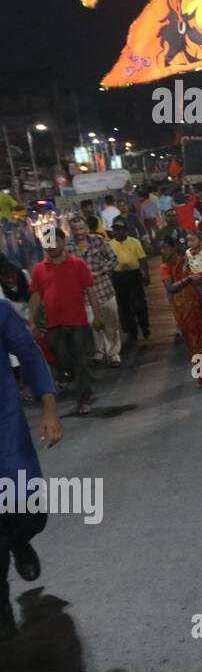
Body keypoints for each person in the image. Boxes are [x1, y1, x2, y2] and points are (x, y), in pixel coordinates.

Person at [0, 297, 62, 639]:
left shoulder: (1, 311)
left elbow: (31, 356)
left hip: (6, 434)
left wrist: (49, 409)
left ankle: (19, 541)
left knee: (31, 513)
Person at [28, 228, 106, 415]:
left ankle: (83, 399)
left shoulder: (78, 264)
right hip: (54, 324)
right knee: (62, 358)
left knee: (81, 361)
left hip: (77, 322)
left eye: (54, 241)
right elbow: (36, 296)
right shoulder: (39, 269)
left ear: (63, 242)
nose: (51, 245)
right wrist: (32, 321)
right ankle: (72, 377)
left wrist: (97, 315)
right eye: (47, 242)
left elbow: (90, 291)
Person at [158, 231, 202, 390]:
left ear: (174, 247)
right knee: (193, 343)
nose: (162, 251)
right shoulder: (164, 268)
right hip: (183, 310)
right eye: (161, 249)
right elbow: (171, 288)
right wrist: (189, 279)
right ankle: (201, 376)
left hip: (199, 305)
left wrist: (201, 285)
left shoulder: (188, 260)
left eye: (165, 248)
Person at [67, 216, 122, 368]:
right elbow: (52, 255)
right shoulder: (67, 246)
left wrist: (101, 271)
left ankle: (114, 353)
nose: (79, 232)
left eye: (81, 228)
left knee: (111, 322)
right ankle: (100, 351)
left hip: (103, 289)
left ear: (87, 228)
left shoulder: (98, 240)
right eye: (75, 229)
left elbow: (113, 259)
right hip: (84, 294)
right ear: (70, 230)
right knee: (93, 323)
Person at [108, 218, 150, 344]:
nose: (117, 233)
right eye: (115, 230)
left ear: (125, 231)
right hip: (118, 277)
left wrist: (146, 275)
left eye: (120, 230)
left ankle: (144, 327)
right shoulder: (110, 244)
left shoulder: (134, 242)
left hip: (134, 276)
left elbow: (142, 259)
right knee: (124, 306)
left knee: (139, 304)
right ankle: (132, 331)